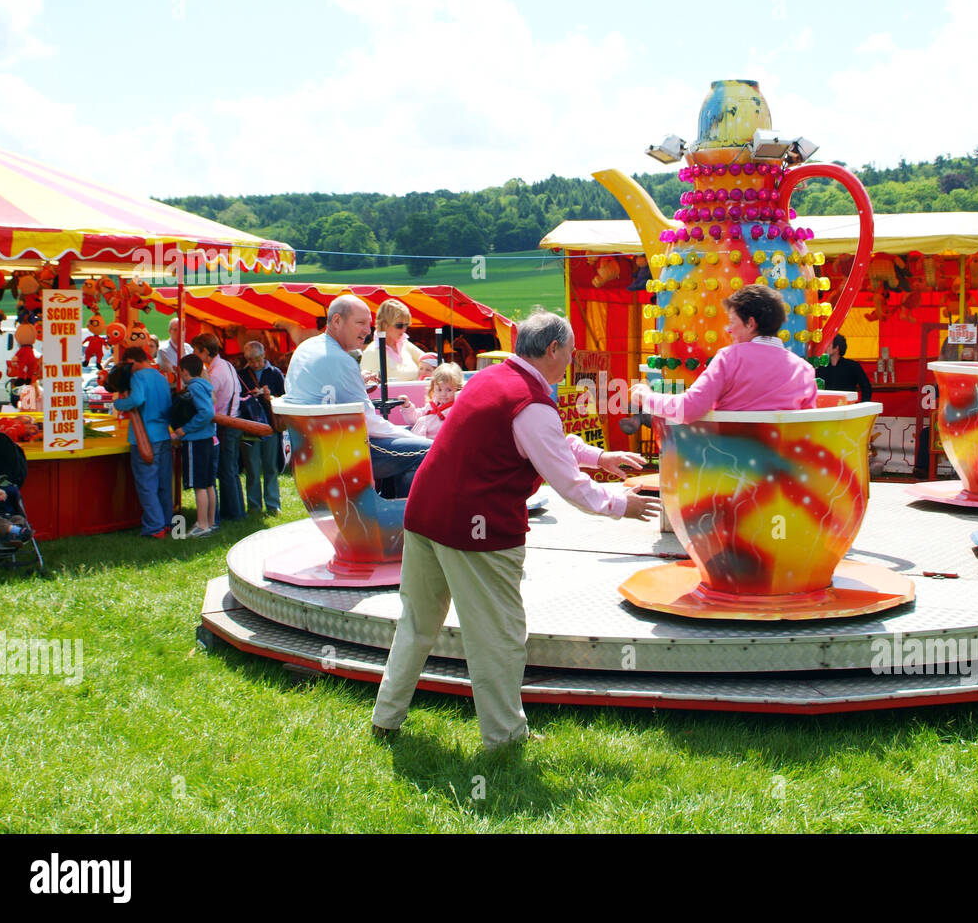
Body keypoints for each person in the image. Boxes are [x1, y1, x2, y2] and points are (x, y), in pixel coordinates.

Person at [371, 310, 661, 749]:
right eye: (569, 349)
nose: (571, 359)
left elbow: (542, 442)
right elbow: (569, 484)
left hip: (425, 514)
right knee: (498, 636)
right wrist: (623, 503)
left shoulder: (494, 379)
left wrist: (598, 458)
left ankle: (386, 718)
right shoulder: (529, 400)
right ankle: (505, 738)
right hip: (475, 530)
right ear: (552, 349)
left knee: (416, 622)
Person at [283, 295, 434, 496]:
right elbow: (371, 423)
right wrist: (413, 435)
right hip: (344, 452)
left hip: (315, 448)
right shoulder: (341, 360)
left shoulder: (306, 348)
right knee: (430, 450)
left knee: (409, 436)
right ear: (337, 321)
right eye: (361, 323)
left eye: (369, 324)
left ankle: (392, 508)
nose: (367, 331)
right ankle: (407, 519)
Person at [629, 284, 818, 422]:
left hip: (730, 466)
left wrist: (646, 396)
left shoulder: (729, 358)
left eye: (732, 322)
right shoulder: (805, 369)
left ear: (750, 323)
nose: (728, 329)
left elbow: (689, 408)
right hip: (784, 469)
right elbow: (810, 423)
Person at [111, 346, 173, 539]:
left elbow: (137, 399)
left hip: (144, 438)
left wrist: (119, 404)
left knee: (147, 484)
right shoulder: (161, 377)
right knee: (164, 483)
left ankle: (155, 527)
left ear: (131, 362)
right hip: (163, 435)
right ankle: (167, 522)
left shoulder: (138, 377)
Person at [191, 332, 244, 522]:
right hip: (234, 420)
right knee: (231, 469)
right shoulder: (226, 365)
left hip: (225, 424)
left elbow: (207, 400)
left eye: (196, 352)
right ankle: (237, 510)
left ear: (205, 352)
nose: (195, 356)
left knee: (226, 470)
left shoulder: (215, 373)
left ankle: (234, 513)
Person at [171, 353, 217, 537]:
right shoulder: (205, 385)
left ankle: (202, 525)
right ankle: (211, 522)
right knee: (208, 484)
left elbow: (205, 413)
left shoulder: (195, 387)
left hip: (196, 440)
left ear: (184, 371)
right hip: (207, 439)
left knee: (199, 484)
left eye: (180, 371)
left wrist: (185, 429)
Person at [238, 340, 285, 516]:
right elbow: (238, 399)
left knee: (270, 466)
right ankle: (254, 506)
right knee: (252, 467)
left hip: (270, 426)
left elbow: (284, 397)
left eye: (258, 359)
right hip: (249, 426)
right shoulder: (241, 374)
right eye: (252, 360)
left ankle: (273, 504)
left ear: (264, 356)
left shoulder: (275, 374)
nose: (256, 363)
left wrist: (269, 396)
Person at [359, 299, 426, 381]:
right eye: (399, 325)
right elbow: (369, 388)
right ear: (384, 324)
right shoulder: (372, 352)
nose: (404, 329)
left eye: (406, 325)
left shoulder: (405, 344)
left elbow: (431, 361)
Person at [394, 362, 463, 439]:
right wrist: (407, 406)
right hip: (420, 442)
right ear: (433, 389)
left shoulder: (455, 410)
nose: (443, 394)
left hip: (436, 445)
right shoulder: (431, 406)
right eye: (439, 389)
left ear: (457, 389)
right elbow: (413, 419)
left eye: (449, 390)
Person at [0, 464, 30, 545]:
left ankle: (13, 536)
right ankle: (17, 532)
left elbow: (12, 491)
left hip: (4, 519)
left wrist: (3, 492)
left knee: (18, 518)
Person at [815, 334, 872, 401]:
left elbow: (866, 387)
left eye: (829, 345)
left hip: (847, 406)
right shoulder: (820, 367)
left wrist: (862, 405)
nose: (825, 347)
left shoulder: (853, 366)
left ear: (836, 348)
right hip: (827, 406)